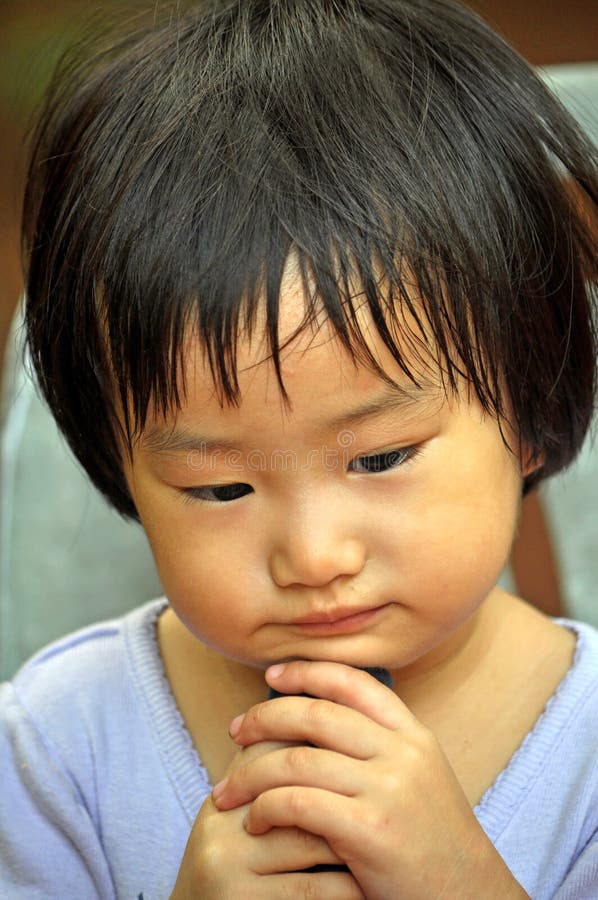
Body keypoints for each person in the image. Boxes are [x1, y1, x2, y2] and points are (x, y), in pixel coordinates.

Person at [1, 0, 597, 896]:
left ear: (527, 407)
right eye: (219, 487)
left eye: (382, 457)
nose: (315, 558)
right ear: (115, 465)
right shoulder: (58, 749)